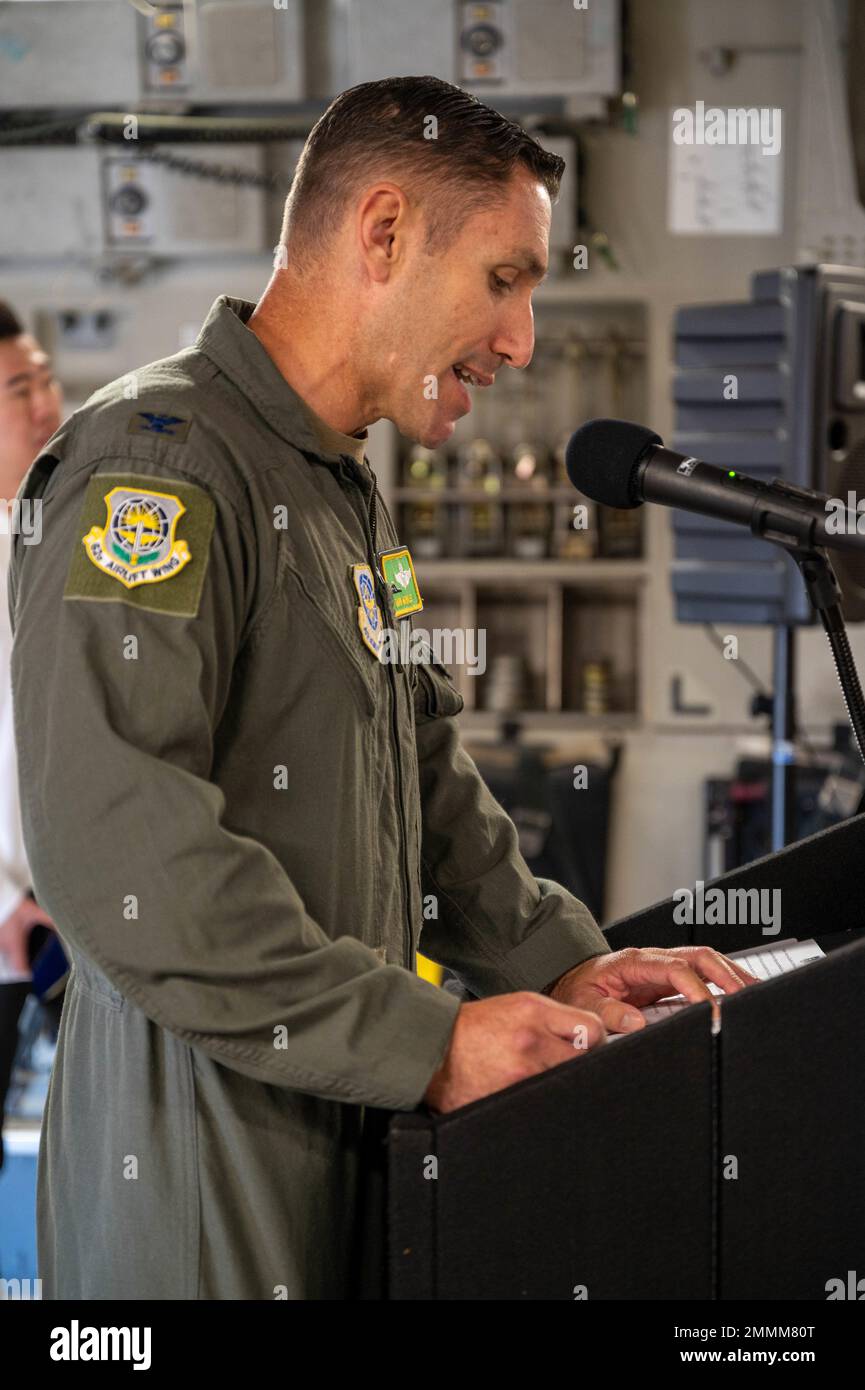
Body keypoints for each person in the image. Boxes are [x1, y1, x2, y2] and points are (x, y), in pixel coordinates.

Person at [9, 77, 757, 1300]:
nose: (521, 340)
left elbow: (422, 771)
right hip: (206, 1166)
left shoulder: (341, 489)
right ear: (385, 234)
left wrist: (555, 961)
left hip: (352, 1113)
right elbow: (124, 855)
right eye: (505, 279)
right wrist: (425, 1038)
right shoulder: (156, 470)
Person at [0, 300, 63, 1168]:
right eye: (20, 389)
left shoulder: (45, 542)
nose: (47, 402)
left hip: (53, 926)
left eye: (46, 378)